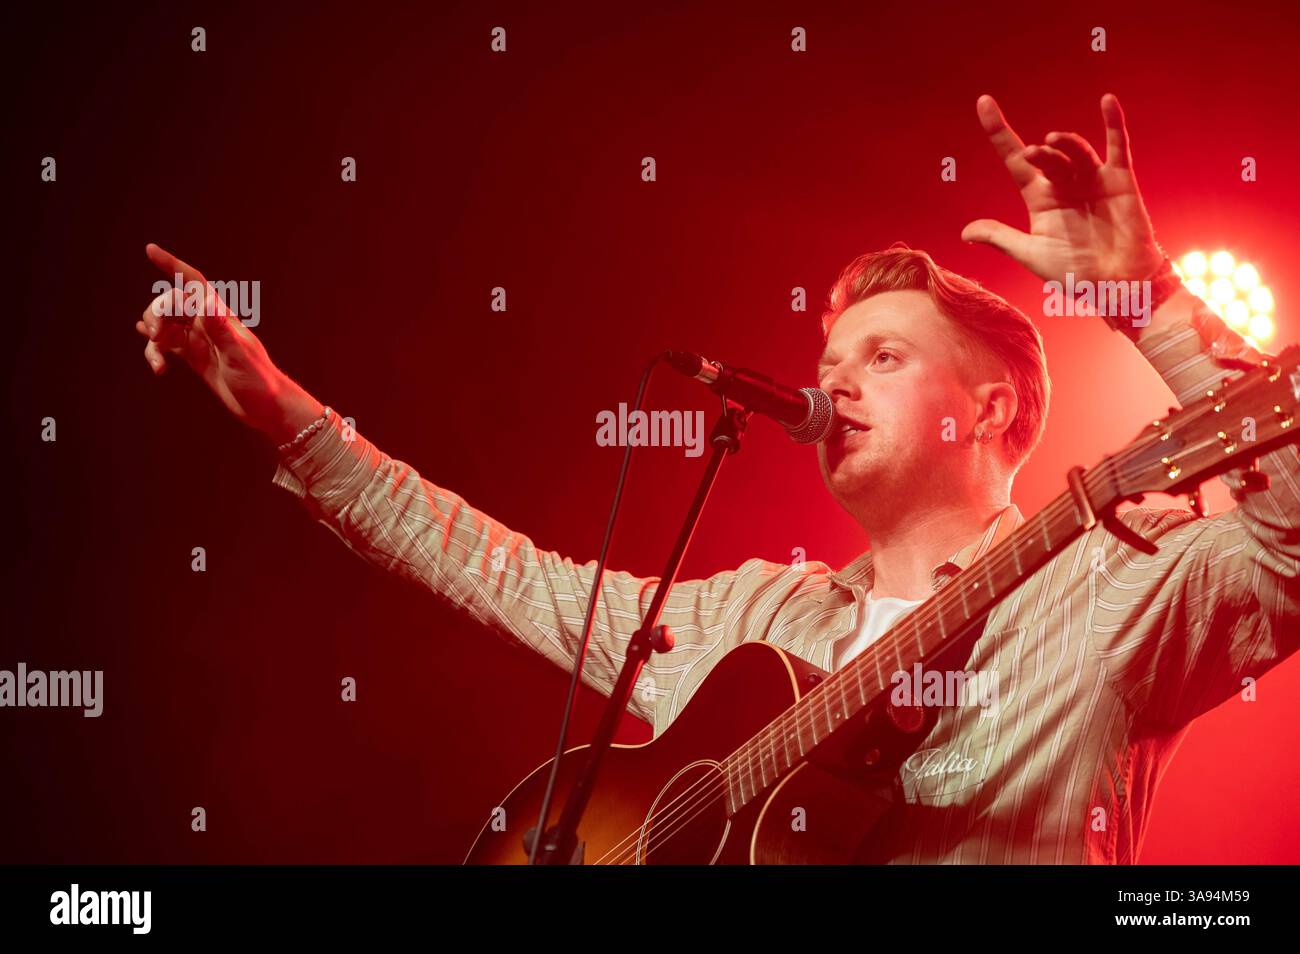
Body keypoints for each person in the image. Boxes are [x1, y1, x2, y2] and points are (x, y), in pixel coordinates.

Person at [134, 94, 1300, 863]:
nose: (831, 384)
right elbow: (498, 573)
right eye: (826, 361)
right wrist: (281, 409)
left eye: (882, 359)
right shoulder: (750, 617)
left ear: (989, 409)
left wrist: (1140, 301)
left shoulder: (1111, 579)